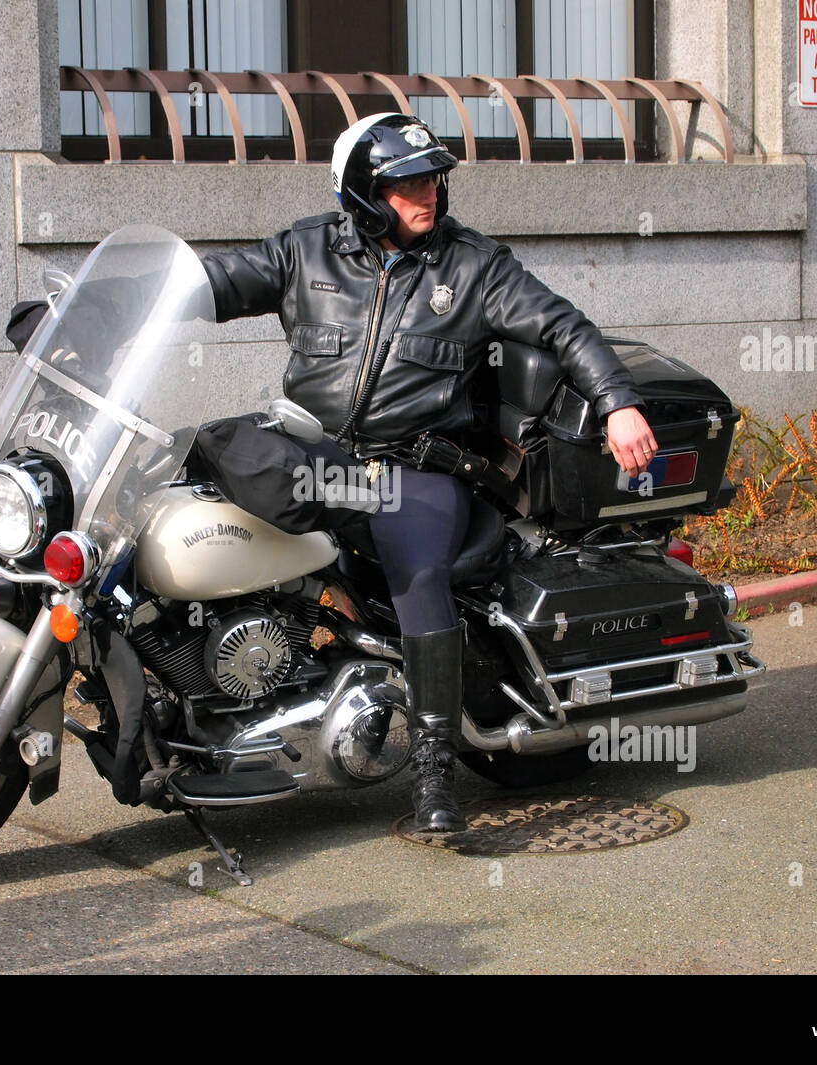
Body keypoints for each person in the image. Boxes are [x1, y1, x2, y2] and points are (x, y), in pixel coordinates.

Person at [201, 113, 659, 833]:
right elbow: (207, 284)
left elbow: (564, 326)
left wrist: (618, 404)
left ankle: (436, 776)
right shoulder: (306, 250)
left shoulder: (472, 268)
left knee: (418, 572)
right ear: (361, 191)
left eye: (432, 180)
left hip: (412, 471)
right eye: (406, 183)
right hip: (321, 455)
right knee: (203, 449)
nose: (427, 195)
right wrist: (87, 309)